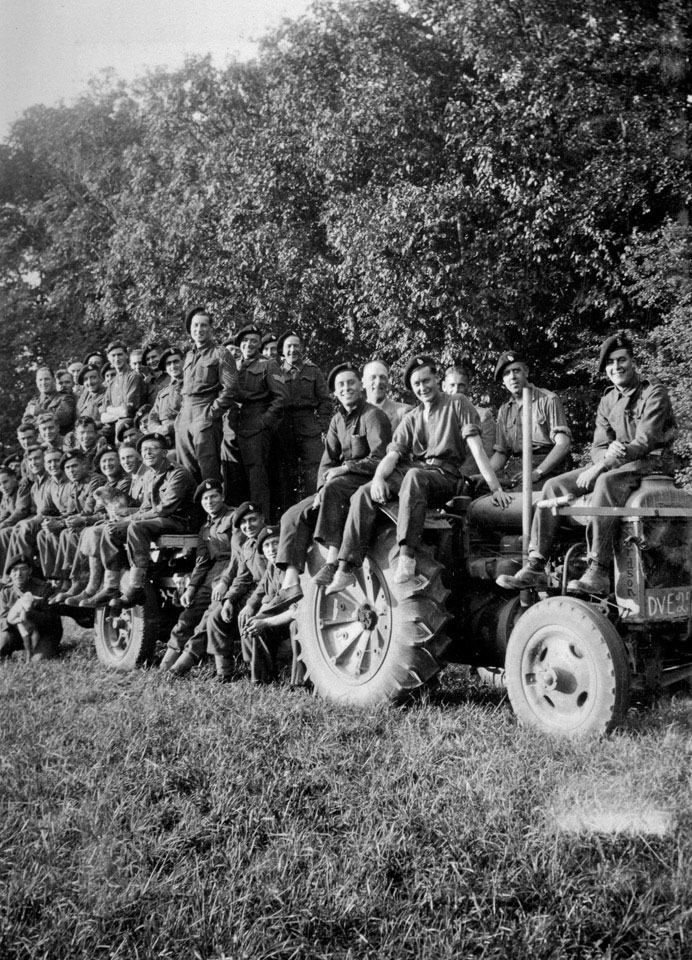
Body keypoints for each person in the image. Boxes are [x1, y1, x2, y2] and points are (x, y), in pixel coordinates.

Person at [497, 334, 677, 596]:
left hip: (651, 463)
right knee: (553, 485)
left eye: (621, 360)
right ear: (605, 370)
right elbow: (598, 447)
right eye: (610, 364)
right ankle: (535, 564)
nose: (617, 367)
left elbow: (645, 440)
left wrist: (606, 463)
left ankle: (599, 569)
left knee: (604, 481)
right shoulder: (608, 399)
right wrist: (602, 461)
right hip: (615, 464)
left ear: (632, 361)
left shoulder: (653, 392)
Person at [327, 355, 512, 592]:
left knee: (414, 476)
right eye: (417, 384)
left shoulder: (457, 402)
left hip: (446, 476)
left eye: (427, 381)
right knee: (364, 493)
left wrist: (495, 487)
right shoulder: (411, 417)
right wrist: (379, 478)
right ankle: (346, 568)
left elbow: (476, 448)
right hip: (417, 474)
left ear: (437, 379)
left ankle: (406, 556)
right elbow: (392, 456)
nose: (422, 388)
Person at [264, 361, 392, 606]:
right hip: (336, 484)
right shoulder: (336, 421)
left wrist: (345, 468)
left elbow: (381, 458)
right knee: (292, 515)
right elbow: (326, 462)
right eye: (340, 385)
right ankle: (290, 582)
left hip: (365, 481)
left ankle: (332, 561)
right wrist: (320, 490)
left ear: (360, 387)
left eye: (351, 383)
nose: (346, 388)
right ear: (334, 392)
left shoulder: (373, 416)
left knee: (334, 487)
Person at [82, 434, 195, 608]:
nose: (147, 453)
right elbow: (145, 508)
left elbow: (165, 509)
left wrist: (129, 520)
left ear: (164, 453)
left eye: (153, 449)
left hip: (179, 521)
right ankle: (111, 585)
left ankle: (136, 586)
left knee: (135, 526)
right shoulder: (149, 475)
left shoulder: (178, 473)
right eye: (144, 450)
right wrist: (124, 520)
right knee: (110, 529)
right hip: (156, 522)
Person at [160, 478, 236, 678]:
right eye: (205, 499)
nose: (209, 502)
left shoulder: (235, 518)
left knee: (207, 618)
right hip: (213, 574)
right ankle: (165, 665)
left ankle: (181, 667)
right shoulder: (205, 528)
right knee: (188, 614)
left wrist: (225, 581)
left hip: (234, 573)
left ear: (222, 497)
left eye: (213, 497)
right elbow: (202, 561)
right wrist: (191, 588)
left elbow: (240, 555)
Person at [489, 351, 572, 489]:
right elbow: (502, 453)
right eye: (506, 373)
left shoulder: (548, 399)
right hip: (516, 469)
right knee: (477, 488)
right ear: (503, 380)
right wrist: (485, 475)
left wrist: (537, 472)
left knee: (517, 499)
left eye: (516, 371)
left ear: (526, 372)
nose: (512, 377)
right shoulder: (505, 410)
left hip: (546, 469)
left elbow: (563, 445)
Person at [176, 307, 238, 484]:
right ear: (190, 330)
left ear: (211, 329)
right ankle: (193, 512)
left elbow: (231, 388)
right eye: (195, 326)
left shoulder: (220, 353)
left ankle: (214, 511)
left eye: (204, 325)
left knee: (208, 469)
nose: (199, 330)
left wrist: (212, 413)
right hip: (185, 417)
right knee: (187, 470)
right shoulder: (188, 356)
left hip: (204, 414)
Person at [234, 324, 288, 518]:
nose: (249, 344)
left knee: (258, 477)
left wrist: (265, 421)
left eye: (254, 341)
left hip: (256, 426)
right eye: (245, 341)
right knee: (238, 477)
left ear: (259, 345)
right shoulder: (234, 366)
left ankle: (261, 522)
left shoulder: (267, 365)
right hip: (235, 426)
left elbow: (281, 397)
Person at [275, 330, 332, 509]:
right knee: (285, 474)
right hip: (283, 426)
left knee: (313, 472)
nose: (293, 350)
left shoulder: (313, 371)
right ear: (282, 351)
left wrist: (321, 425)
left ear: (302, 348)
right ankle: (287, 514)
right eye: (289, 347)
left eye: (296, 346)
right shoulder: (274, 371)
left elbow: (325, 401)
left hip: (308, 425)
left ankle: (313, 511)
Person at [240, 525, 298, 684]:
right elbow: (268, 596)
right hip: (284, 617)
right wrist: (257, 617)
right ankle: (263, 679)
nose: (272, 549)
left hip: (299, 617)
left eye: (276, 543)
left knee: (291, 626)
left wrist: (264, 621)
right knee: (257, 624)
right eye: (266, 545)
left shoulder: (295, 566)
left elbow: (297, 611)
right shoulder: (273, 567)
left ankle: (299, 682)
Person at [0, 556, 62, 661]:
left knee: (39, 661)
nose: (19, 574)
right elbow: (1, 620)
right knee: (3, 642)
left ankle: (44, 649)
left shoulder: (43, 588)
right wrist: (10, 620)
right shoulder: (6, 592)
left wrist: (30, 613)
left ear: (30, 571)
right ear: (10, 574)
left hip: (44, 632)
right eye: (14, 570)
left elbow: (52, 620)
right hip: (17, 632)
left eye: (23, 569)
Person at [442, 362, 496, 477]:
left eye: (461, 385)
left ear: (468, 387)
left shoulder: (483, 416)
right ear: (444, 387)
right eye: (452, 385)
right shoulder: (436, 417)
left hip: (470, 479)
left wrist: (463, 480)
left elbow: (486, 455)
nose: (456, 390)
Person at [100, 340, 146, 443]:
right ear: (108, 358)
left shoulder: (133, 376)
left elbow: (126, 412)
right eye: (113, 355)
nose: (117, 359)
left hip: (133, 427)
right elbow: (103, 417)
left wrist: (109, 409)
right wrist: (114, 412)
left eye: (120, 354)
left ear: (126, 355)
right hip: (116, 428)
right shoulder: (112, 383)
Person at [362, 359, 413, 432]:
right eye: (372, 377)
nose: (378, 382)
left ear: (388, 382)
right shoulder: (355, 416)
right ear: (363, 382)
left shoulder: (404, 413)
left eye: (382, 377)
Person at [23, 366, 76, 435]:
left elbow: (63, 418)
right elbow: (26, 421)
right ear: (36, 383)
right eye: (40, 380)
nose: (43, 382)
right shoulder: (34, 401)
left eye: (47, 379)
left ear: (54, 381)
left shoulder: (65, 398)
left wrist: (41, 413)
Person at [148, 348, 183, 443]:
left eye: (176, 362)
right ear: (166, 369)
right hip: (164, 438)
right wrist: (158, 429)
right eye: (169, 364)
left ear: (183, 362)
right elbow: (152, 418)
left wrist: (170, 427)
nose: (173, 366)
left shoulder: (192, 386)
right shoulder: (162, 393)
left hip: (185, 434)